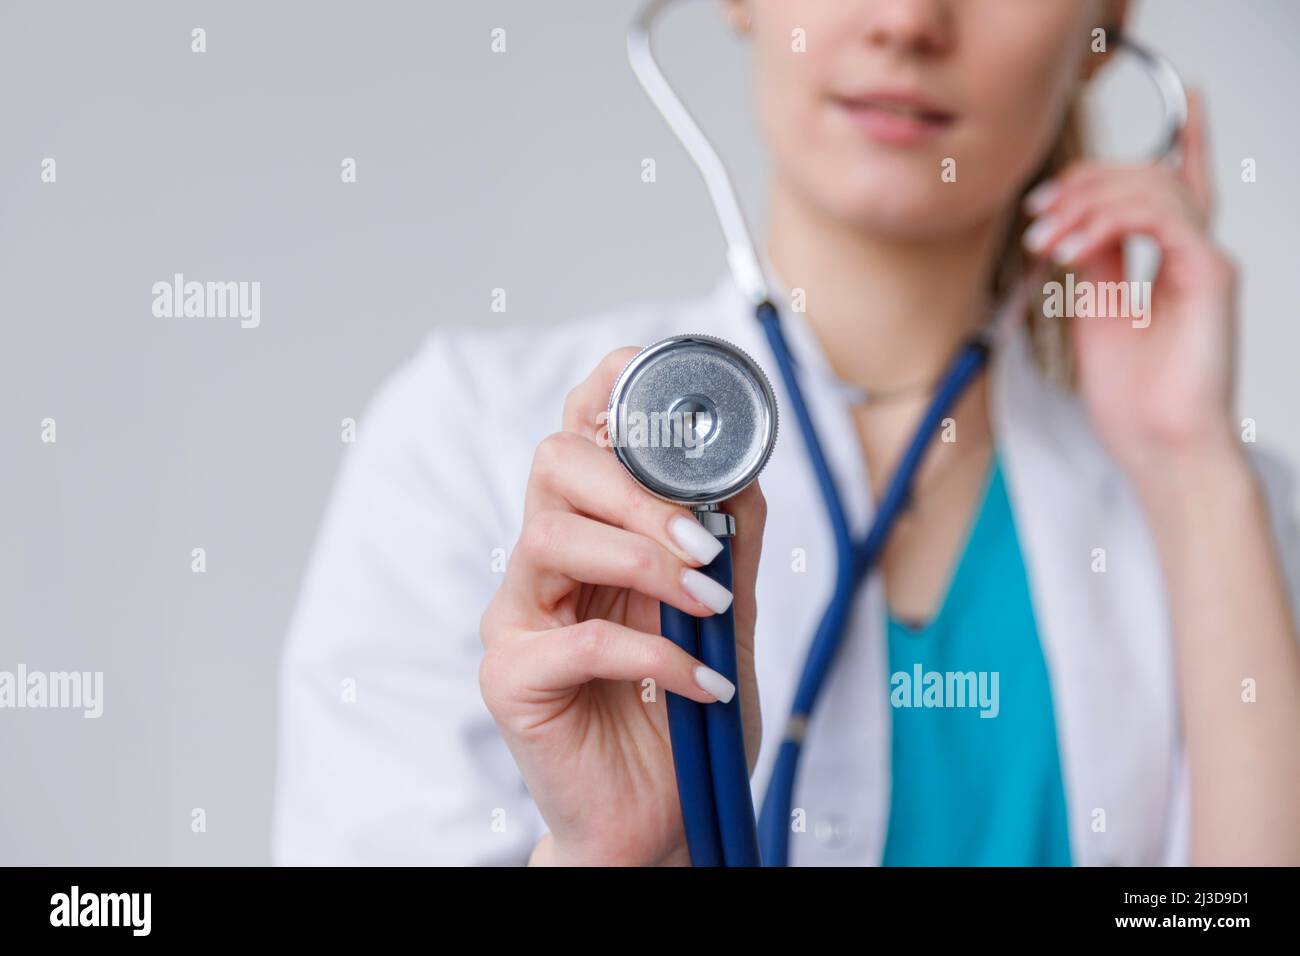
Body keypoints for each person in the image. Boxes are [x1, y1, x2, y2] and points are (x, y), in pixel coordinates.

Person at [272, 0, 1300, 866]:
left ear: (1101, 24)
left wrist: (1188, 467)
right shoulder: (468, 441)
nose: (906, 21)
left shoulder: (1231, 521)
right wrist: (611, 857)